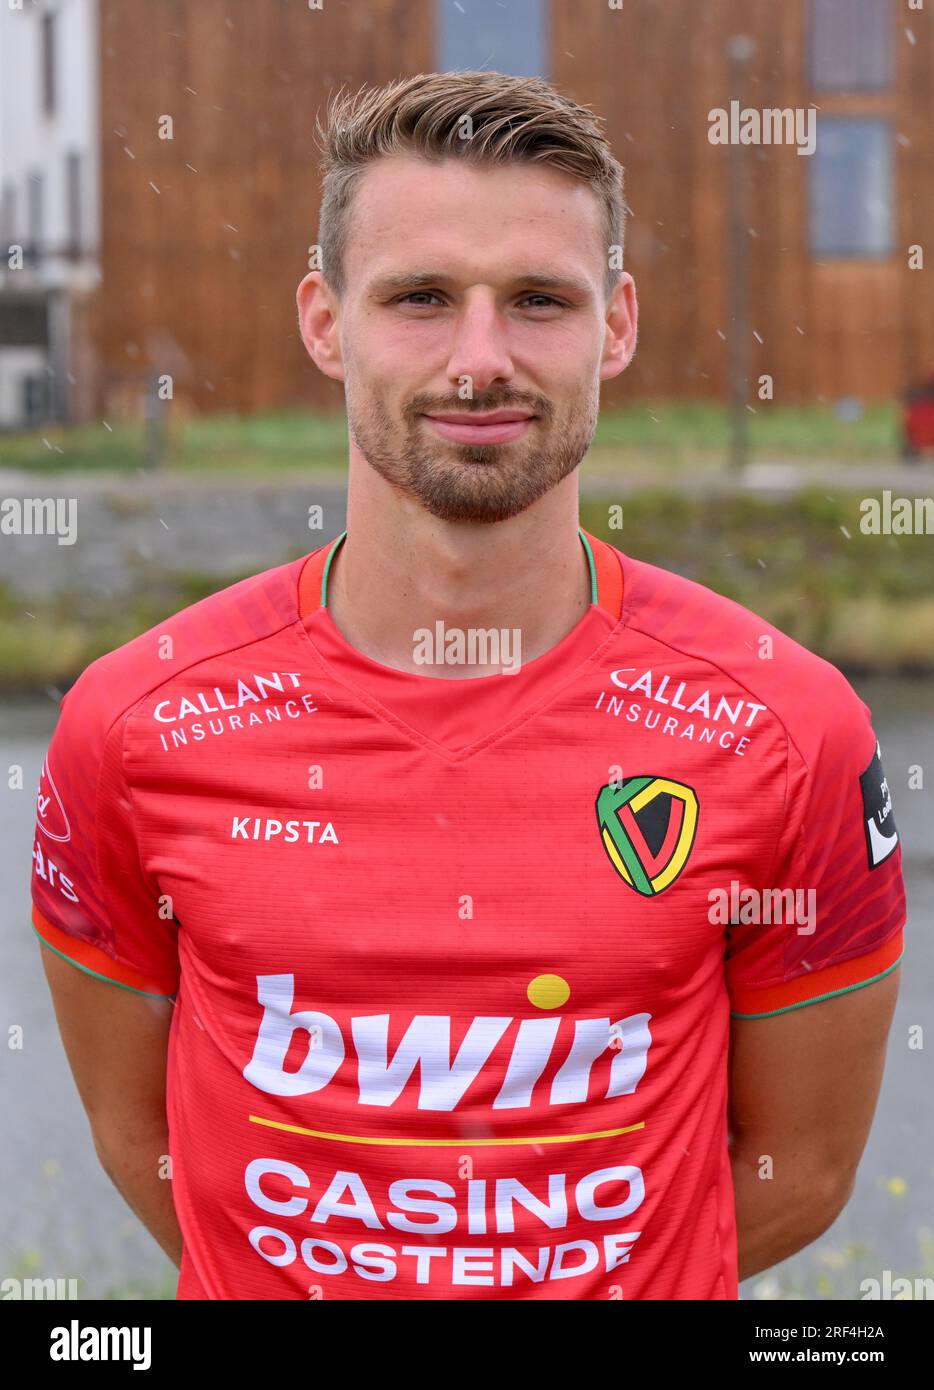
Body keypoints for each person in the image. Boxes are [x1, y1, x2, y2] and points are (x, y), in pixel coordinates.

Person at [31, 70, 905, 1301]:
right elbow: (146, 1146)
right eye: (422, 298)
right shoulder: (132, 726)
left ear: (617, 325)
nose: (480, 358)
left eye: (539, 300)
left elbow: (799, 1171)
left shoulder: (788, 730)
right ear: (327, 322)